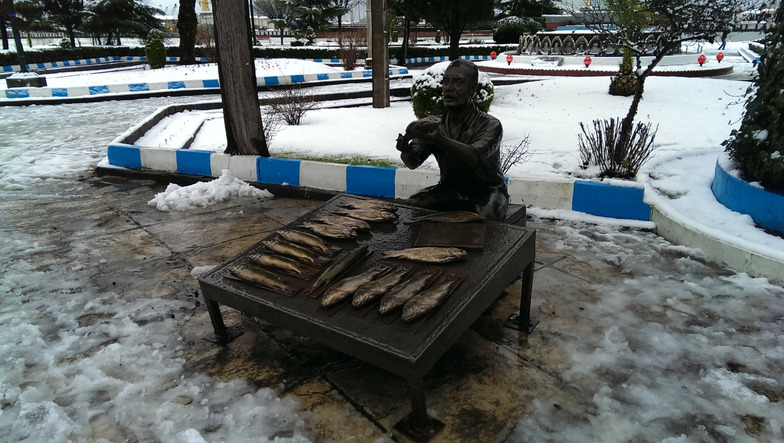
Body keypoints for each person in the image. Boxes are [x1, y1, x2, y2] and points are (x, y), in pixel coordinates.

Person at [395, 60, 509, 221]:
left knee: (487, 218)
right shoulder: (434, 124)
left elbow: (474, 158)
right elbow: (413, 162)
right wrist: (405, 150)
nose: (449, 88)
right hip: (450, 190)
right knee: (411, 206)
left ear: (473, 88)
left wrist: (439, 139)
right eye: (446, 82)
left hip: (487, 190)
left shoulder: (491, 125)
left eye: (458, 82)